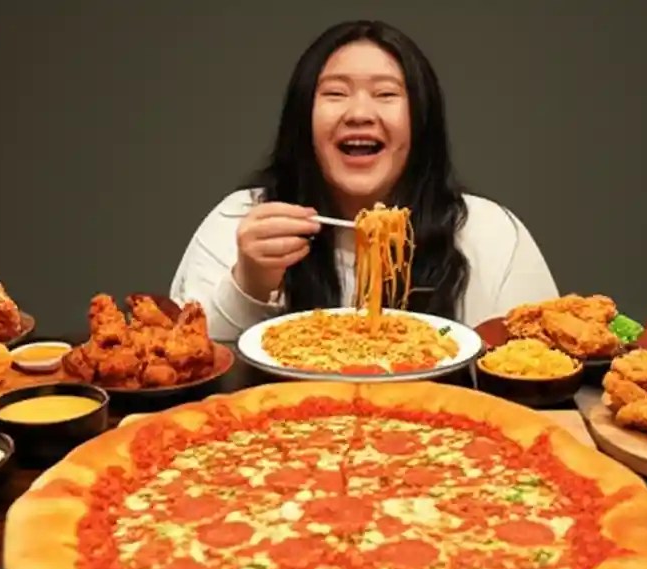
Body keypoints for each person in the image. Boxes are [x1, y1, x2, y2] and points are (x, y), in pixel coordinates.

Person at [170, 20, 559, 341]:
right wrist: (250, 283)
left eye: (386, 93)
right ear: (302, 120)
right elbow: (188, 371)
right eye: (335, 93)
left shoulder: (489, 234)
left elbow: (545, 372)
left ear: (421, 120)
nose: (359, 113)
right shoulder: (242, 220)